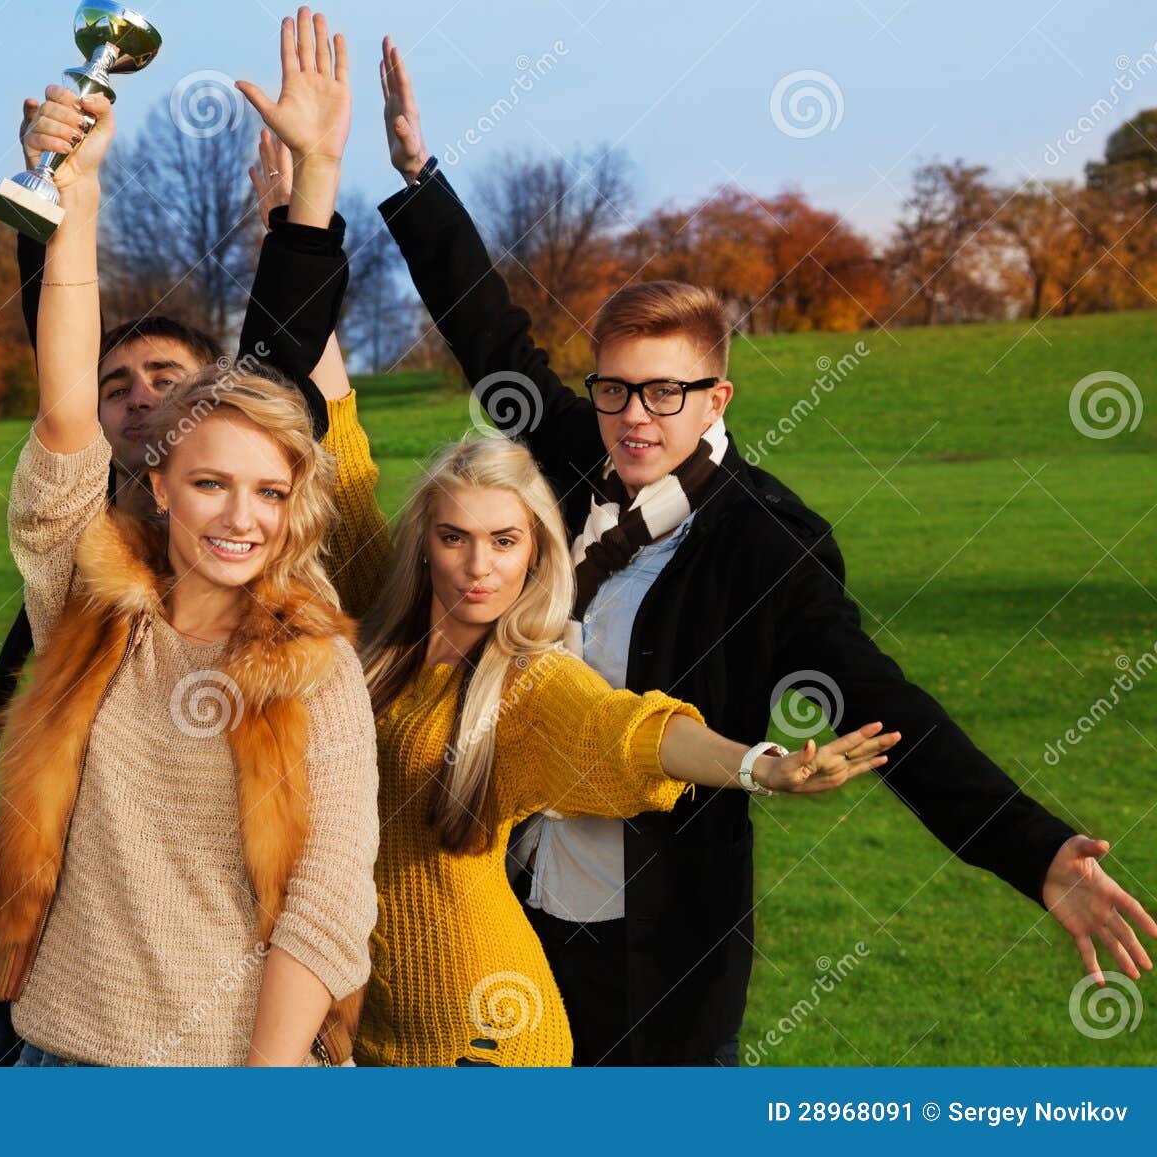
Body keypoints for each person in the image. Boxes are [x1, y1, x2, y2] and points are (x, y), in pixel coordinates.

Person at [366, 38, 1157, 1065]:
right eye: (615, 388)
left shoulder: (760, 543)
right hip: (509, 909)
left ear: (716, 397)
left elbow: (890, 708)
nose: (635, 418)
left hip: (653, 944)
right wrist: (419, 177)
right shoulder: (569, 463)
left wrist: (1036, 849)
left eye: (666, 393)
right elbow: (495, 342)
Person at [0, 11, 362, 1064]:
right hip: (64, 1009)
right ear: (151, 472)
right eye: (125, 384)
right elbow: (61, 394)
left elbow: (277, 373)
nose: (145, 399)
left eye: (172, 382)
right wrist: (76, 186)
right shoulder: (79, 577)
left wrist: (316, 181)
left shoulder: (298, 629)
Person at [307, 377, 899, 1065]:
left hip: (483, 1035)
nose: (477, 566)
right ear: (424, 542)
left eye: (504, 540)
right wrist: (311, 269)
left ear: (535, 551)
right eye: (454, 537)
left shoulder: (529, 681)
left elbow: (632, 732)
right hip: (374, 1018)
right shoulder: (380, 631)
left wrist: (758, 764)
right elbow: (343, 471)